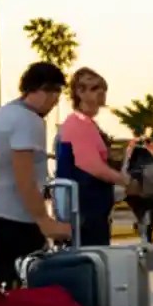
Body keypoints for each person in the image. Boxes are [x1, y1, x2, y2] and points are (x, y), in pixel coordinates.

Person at [0, 62, 73, 288]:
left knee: (3, 291)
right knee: (27, 291)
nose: (55, 100)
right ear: (41, 89)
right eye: (53, 93)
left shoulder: (2, 114)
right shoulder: (28, 120)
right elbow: (24, 177)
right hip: (19, 222)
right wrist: (45, 221)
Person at [55, 67, 133, 247]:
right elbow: (92, 166)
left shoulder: (86, 124)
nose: (101, 93)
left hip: (90, 210)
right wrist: (125, 180)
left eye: (102, 88)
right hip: (85, 211)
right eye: (95, 88)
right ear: (79, 92)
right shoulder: (78, 125)